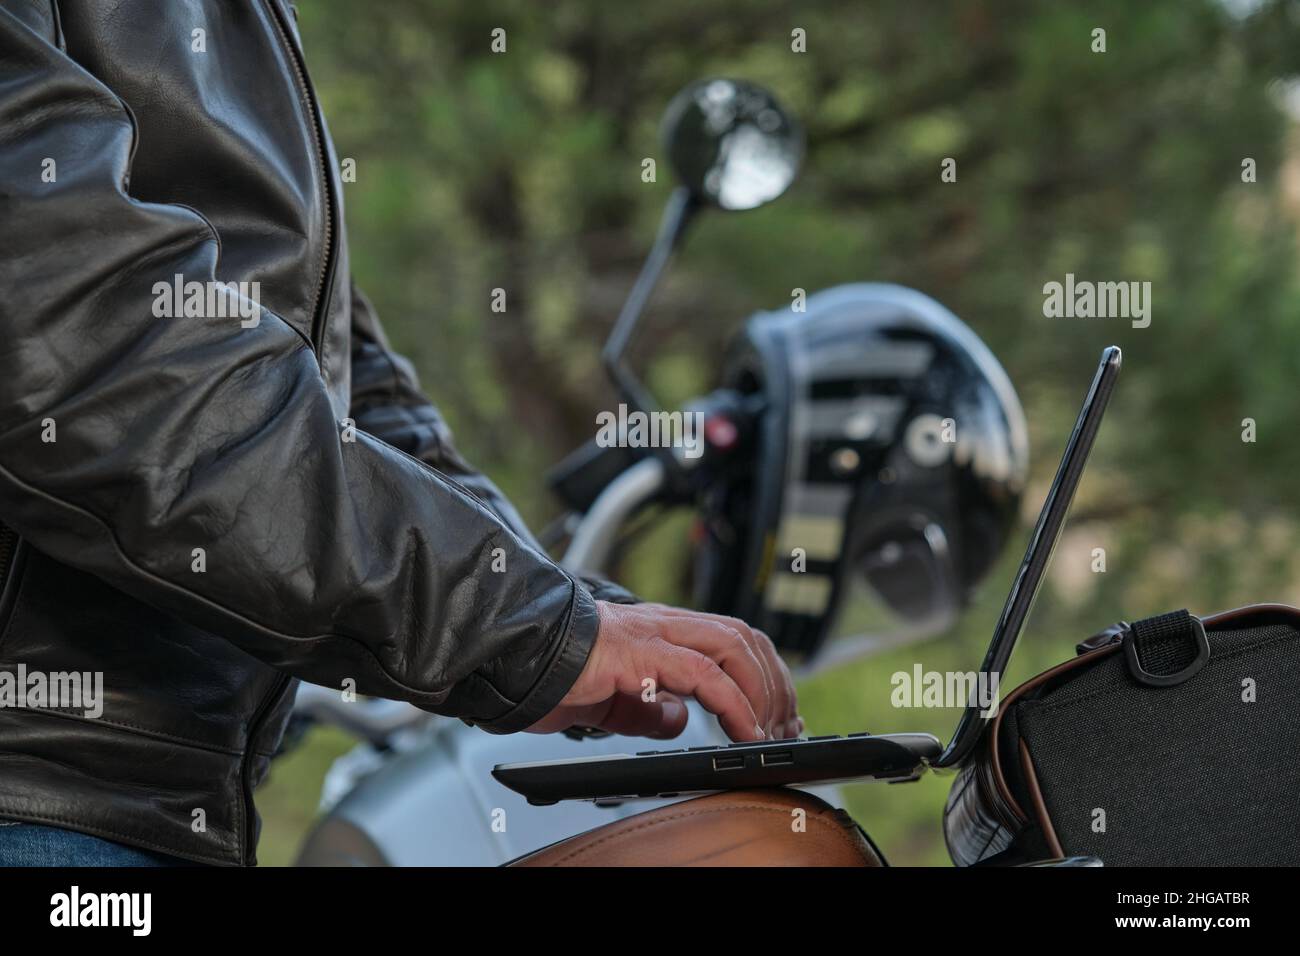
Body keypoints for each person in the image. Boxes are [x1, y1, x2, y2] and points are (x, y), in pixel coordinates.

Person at [0, 1, 797, 867]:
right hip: (43, 795)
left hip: (150, 800)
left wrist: (560, 615)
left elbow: (338, 377)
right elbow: (96, 357)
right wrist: (519, 626)